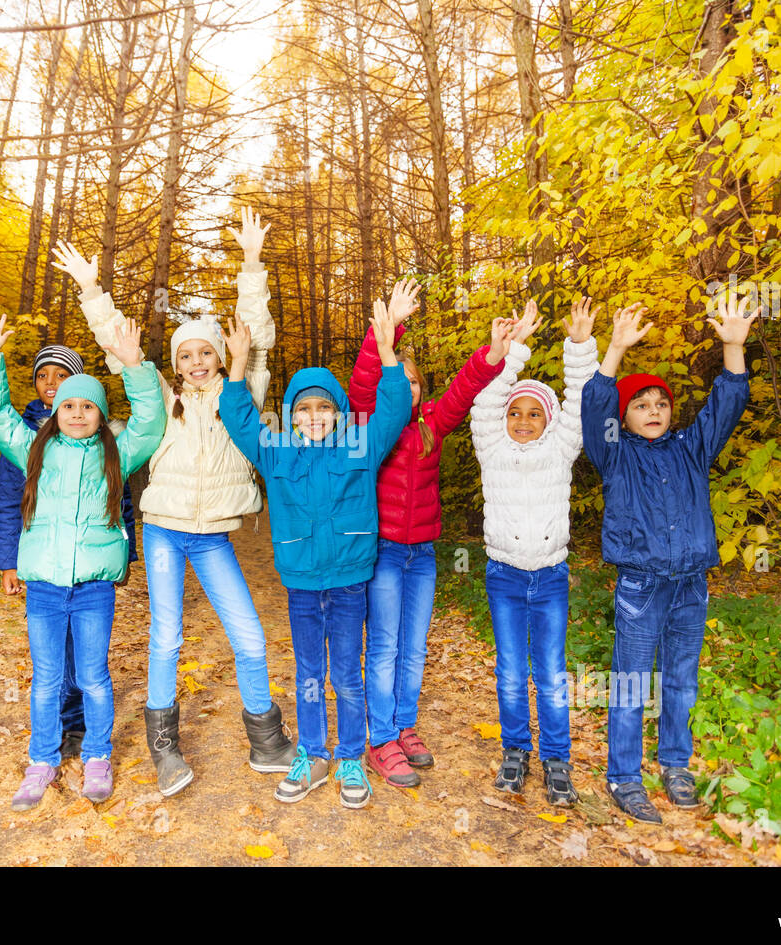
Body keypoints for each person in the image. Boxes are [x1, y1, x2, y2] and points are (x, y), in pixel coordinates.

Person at [51, 210, 295, 797]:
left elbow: (257, 337)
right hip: (163, 529)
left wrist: (253, 264)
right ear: (176, 360)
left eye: (203, 352)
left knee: (250, 636)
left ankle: (266, 738)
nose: (193, 361)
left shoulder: (240, 393)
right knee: (167, 637)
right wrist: (91, 290)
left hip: (212, 536)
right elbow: (117, 349)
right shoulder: (161, 396)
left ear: (216, 355)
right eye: (184, 353)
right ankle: (164, 747)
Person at [0, 311, 166, 810]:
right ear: (55, 411)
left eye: (87, 406)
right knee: (47, 677)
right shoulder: (35, 450)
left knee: (94, 676)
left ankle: (97, 755)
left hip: (94, 586)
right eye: (68, 405)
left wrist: (134, 364)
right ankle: (42, 761)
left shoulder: (115, 454)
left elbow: (150, 421)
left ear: (100, 415)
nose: (77, 413)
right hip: (46, 588)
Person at [218, 299, 411, 809]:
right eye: (303, 408)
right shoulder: (276, 450)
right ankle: (311, 753)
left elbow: (395, 409)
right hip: (302, 582)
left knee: (346, 672)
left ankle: (350, 755)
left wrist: (387, 350)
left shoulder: (360, 446)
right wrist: (236, 364)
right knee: (308, 672)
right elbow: (237, 419)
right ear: (290, 414)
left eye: (324, 407)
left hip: (349, 581)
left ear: (340, 411)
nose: (314, 416)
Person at [580, 294, 755, 823]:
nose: (653, 412)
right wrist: (612, 349)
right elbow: (593, 408)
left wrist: (732, 347)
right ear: (624, 418)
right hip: (641, 584)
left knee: (681, 676)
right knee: (633, 681)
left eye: (661, 404)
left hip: (691, 584)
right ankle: (624, 777)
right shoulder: (614, 452)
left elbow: (727, 404)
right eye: (640, 405)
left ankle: (676, 764)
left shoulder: (691, 449)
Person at [348, 279, 506, 787]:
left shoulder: (434, 423)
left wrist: (492, 355)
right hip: (386, 553)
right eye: (403, 380)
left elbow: (464, 388)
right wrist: (386, 330)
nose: (410, 389)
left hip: (424, 553)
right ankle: (381, 737)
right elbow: (363, 380)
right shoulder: (371, 423)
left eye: (417, 383)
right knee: (386, 646)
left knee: (414, 646)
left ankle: (404, 724)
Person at [470, 298, 599, 805]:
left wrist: (580, 345)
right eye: (516, 412)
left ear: (549, 420)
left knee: (549, 672)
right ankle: (515, 750)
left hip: (548, 577)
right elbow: (483, 403)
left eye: (534, 413)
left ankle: (557, 759)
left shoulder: (560, 449)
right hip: (503, 573)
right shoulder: (492, 448)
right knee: (508, 670)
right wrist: (515, 349)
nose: (523, 420)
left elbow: (583, 398)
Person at [0, 345, 137, 760]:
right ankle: (57, 732)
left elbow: (119, 500)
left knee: (86, 657)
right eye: (43, 376)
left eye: (61, 376)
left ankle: (78, 727)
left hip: (90, 567)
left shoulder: (105, 444)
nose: (50, 384)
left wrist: (124, 556)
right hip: (44, 564)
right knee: (52, 661)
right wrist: (7, 560)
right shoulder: (25, 436)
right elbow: (8, 499)